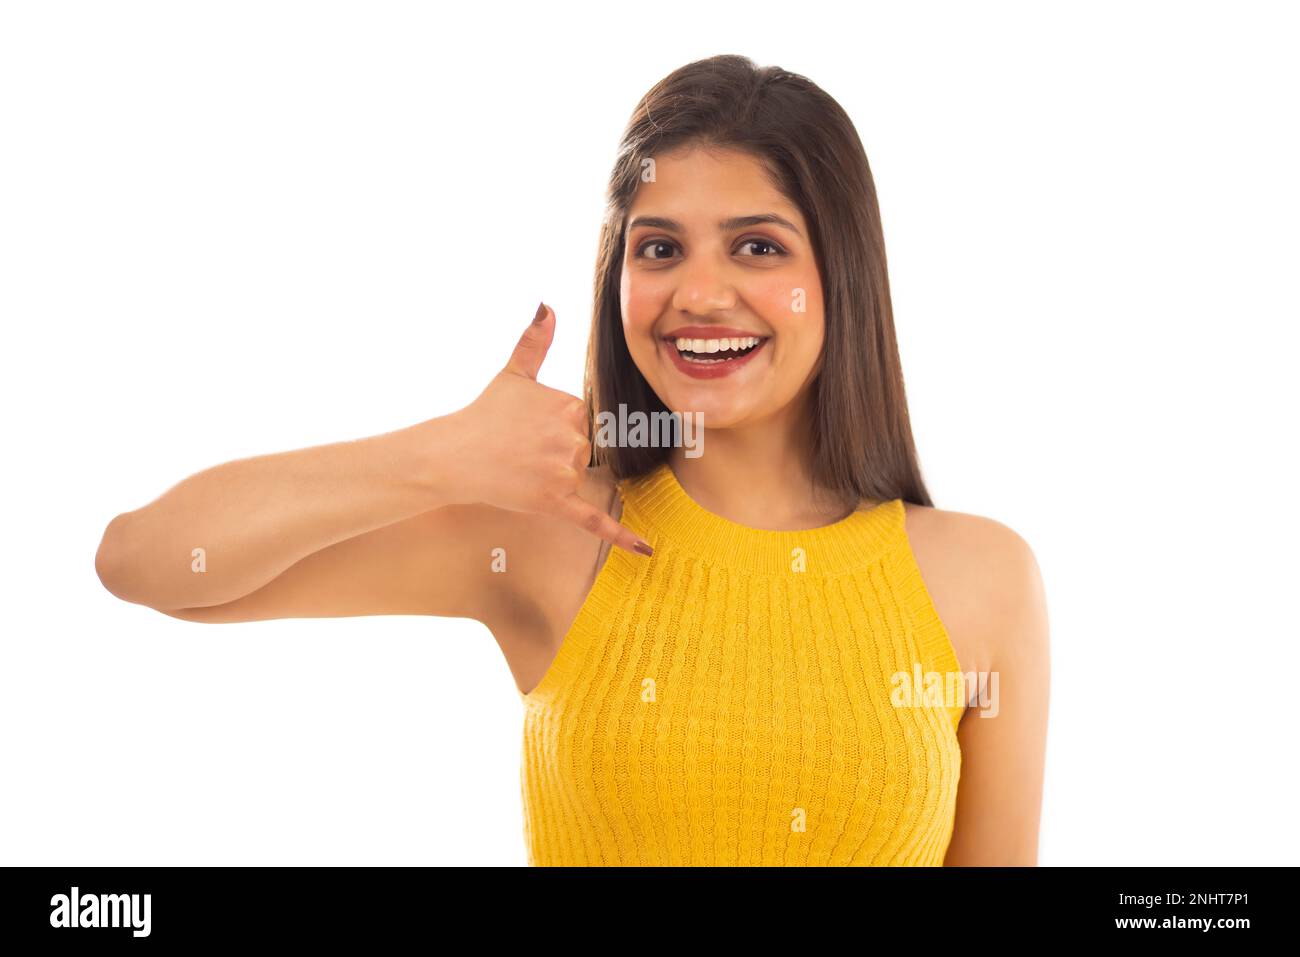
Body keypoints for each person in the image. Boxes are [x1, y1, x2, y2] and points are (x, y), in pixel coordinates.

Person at [95, 54, 1049, 866]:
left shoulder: (980, 577)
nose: (699, 293)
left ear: (841, 274)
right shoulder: (547, 533)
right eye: (659, 247)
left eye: (757, 246)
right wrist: (439, 456)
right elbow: (148, 562)